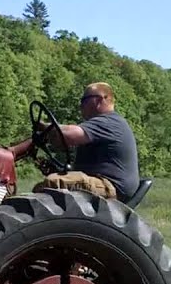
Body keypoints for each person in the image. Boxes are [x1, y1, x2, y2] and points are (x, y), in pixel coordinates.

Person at [7, 82, 140, 202]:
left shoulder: (109, 121)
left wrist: (44, 126)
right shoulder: (101, 124)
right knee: (49, 182)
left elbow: (68, 135)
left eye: (84, 100)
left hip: (110, 186)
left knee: (52, 183)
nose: (80, 105)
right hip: (101, 182)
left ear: (100, 99)